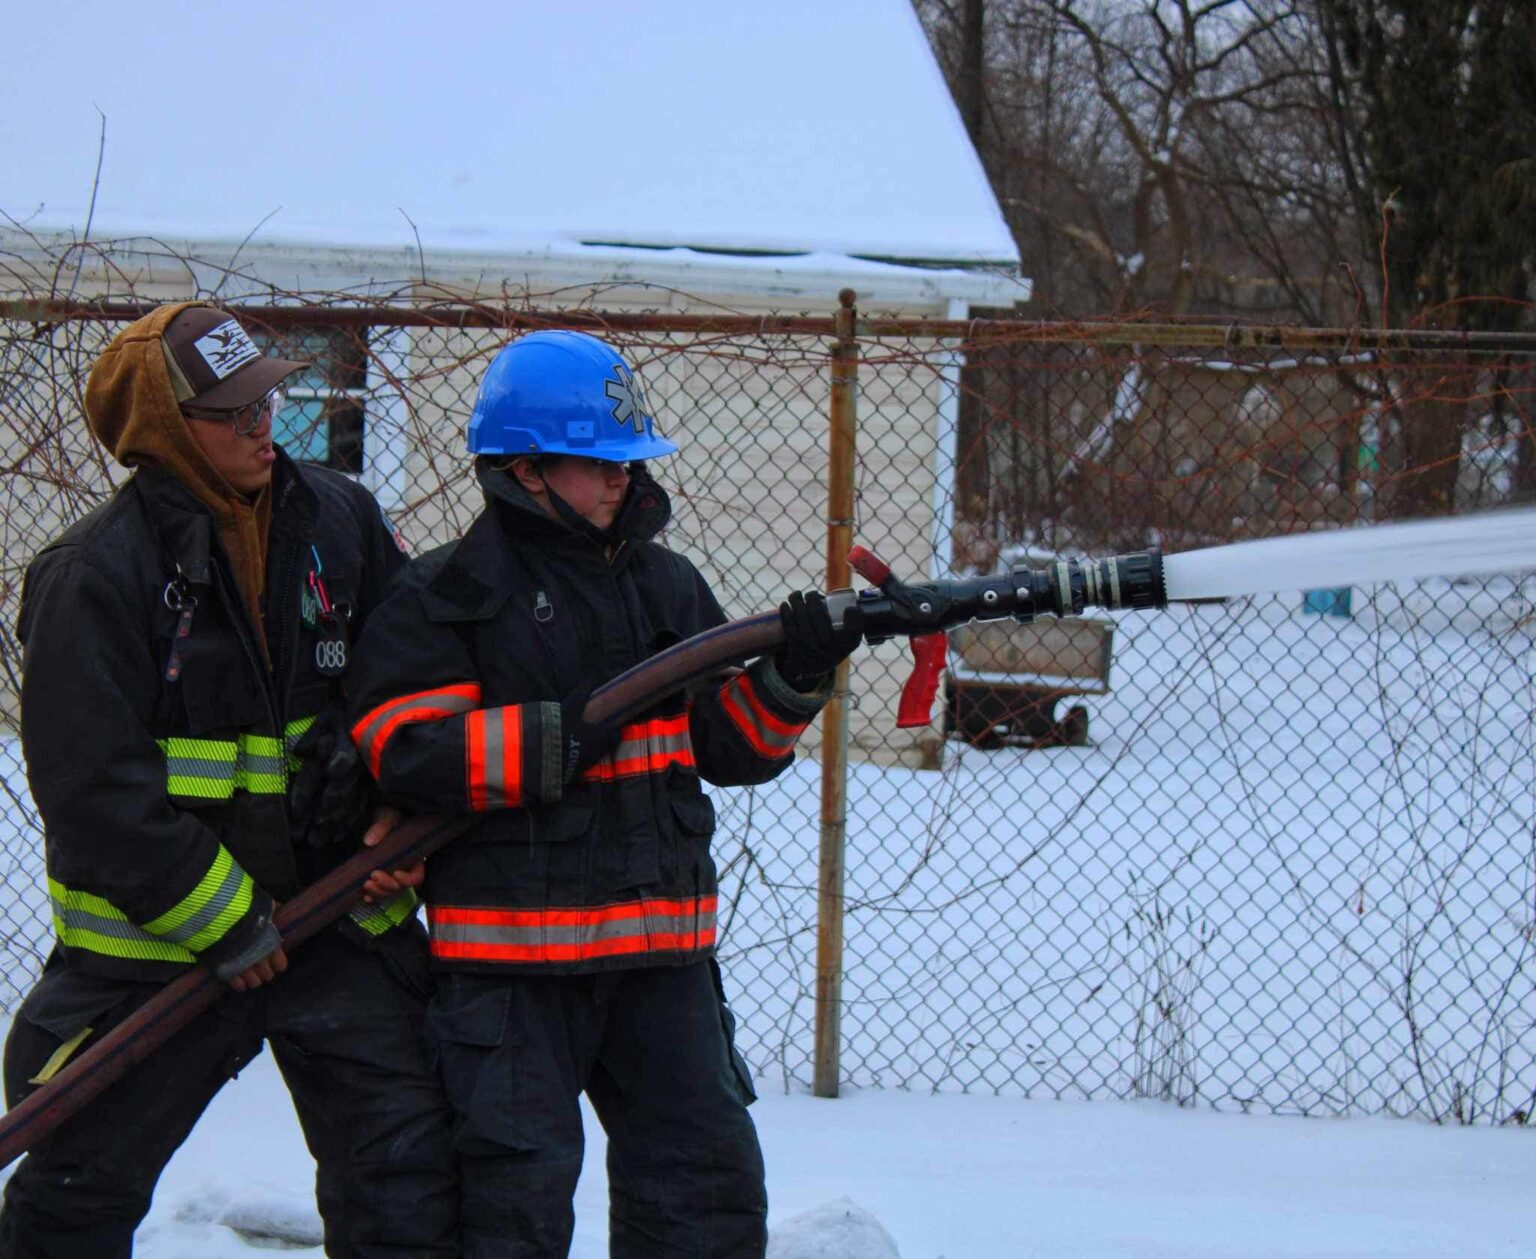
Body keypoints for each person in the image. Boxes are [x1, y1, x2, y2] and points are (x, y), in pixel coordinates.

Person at [345, 329, 863, 1257]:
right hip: (510, 981)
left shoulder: (666, 586)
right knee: (510, 1212)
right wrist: (561, 734)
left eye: (629, 458)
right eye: (599, 461)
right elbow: (403, 748)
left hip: (663, 969)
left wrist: (793, 678)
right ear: (524, 468)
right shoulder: (449, 594)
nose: (623, 478)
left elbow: (732, 745)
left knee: (704, 1196)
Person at [0, 303, 459, 1257]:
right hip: (163, 956)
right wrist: (224, 921)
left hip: (334, 923)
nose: (265, 426)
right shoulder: (92, 576)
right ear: (166, 431)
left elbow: (417, 667)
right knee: (76, 1199)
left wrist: (390, 792)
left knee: (406, 1180)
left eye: (269, 400)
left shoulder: (341, 519)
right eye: (235, 413)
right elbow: (94, 792)